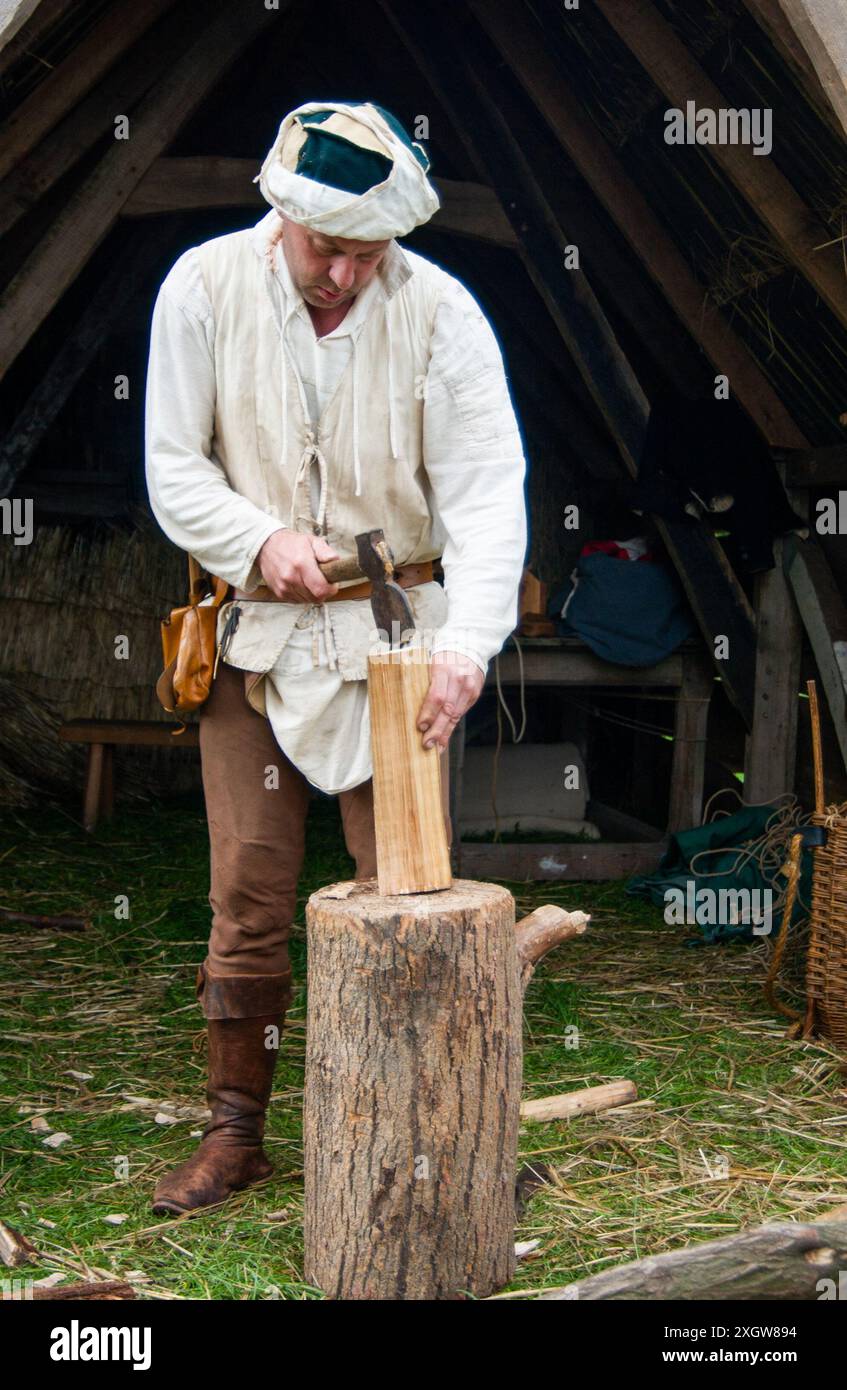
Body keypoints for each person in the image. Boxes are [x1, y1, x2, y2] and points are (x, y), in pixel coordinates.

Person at [144, 100, 527, 1215]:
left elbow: (488, 495)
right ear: (282, 211)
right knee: (247, 896)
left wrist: (465, 644)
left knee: (408, 895)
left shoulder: (442, 313)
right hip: (255, 633)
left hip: (396, 642)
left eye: (371, 253)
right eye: (328, 249)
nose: (347, 275)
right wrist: (258, 539)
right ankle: (237, 1133)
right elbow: (172, 468)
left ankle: (429, 1134)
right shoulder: (203, 289)